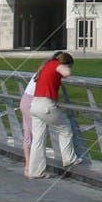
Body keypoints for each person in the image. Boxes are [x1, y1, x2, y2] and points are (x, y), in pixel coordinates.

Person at [26, 50, 77, 179]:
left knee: (38, 140)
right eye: (70, 65)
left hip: (35, 105)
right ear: (65, 62)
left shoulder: (46, 66)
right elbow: (67, 73)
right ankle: (69, 159)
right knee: (65, 128)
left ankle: (35, 172)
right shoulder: (55, 65)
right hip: (46, 105)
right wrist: (66, 69)